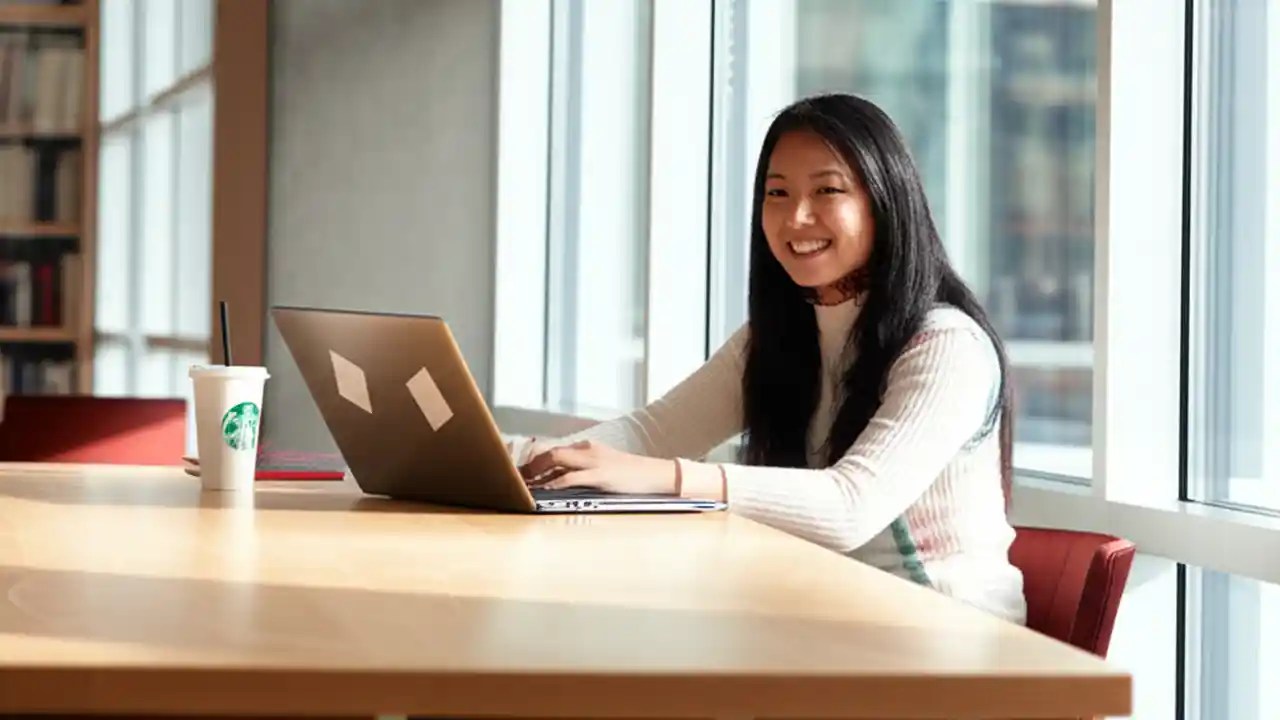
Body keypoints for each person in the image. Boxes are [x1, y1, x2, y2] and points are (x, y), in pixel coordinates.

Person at [514, 93, 1026, 624]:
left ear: (885, 200)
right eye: (777, 193)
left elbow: (850, 506)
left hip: (948, 635)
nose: (796, 217)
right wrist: (511, 458)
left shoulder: (946, 346)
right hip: (826, 619)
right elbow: (653, 432)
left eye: (827, 190)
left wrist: (663, 477)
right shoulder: (783, 334)